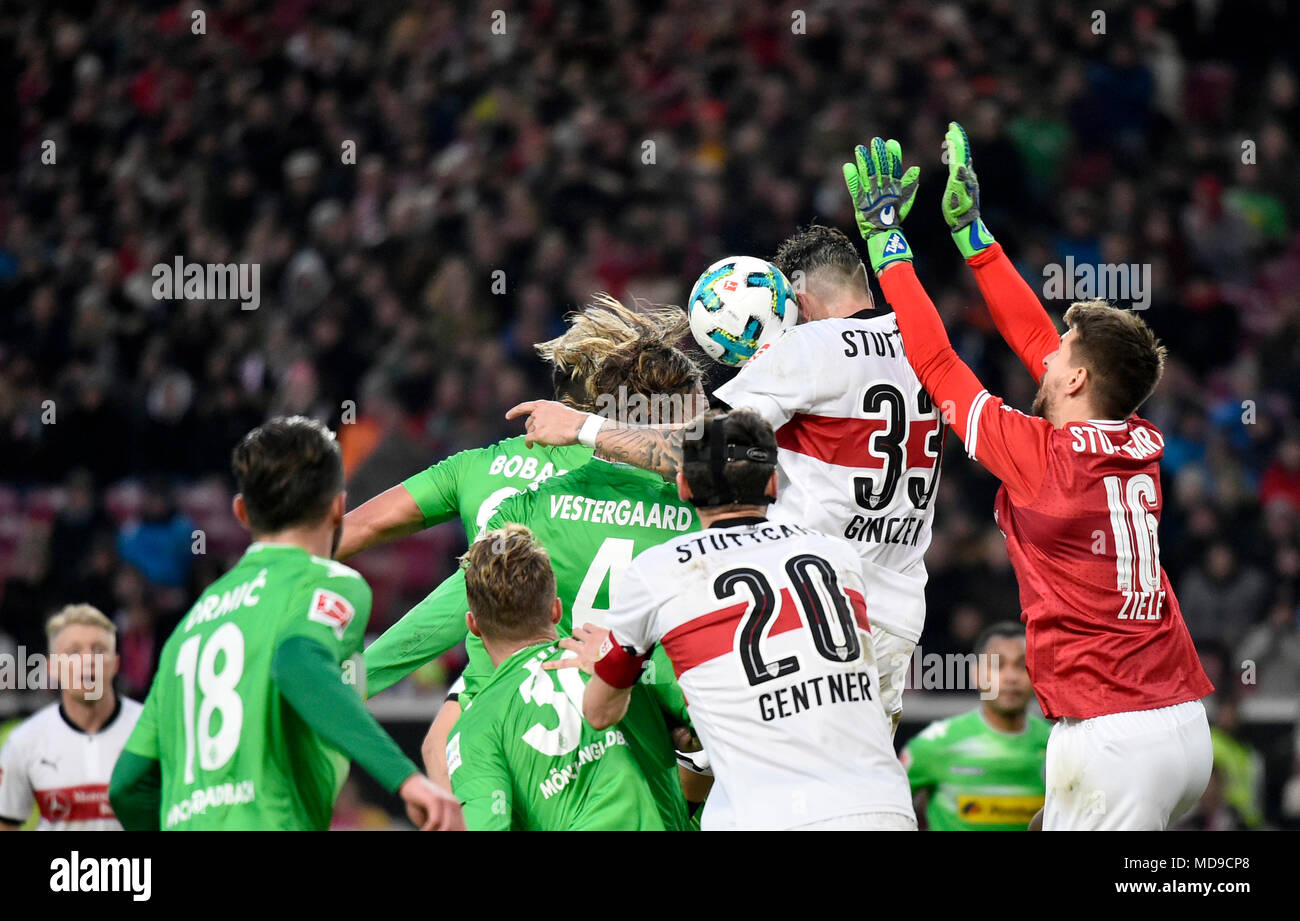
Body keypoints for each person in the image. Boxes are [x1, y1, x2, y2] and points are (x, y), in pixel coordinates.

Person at [841, 125, 1212, 830]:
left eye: (1061, 351)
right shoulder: (1135, 437)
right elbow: (1038, 341)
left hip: (1112, 730)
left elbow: (941, 366)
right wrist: (972, 234)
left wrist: (888, 246)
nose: (1045, 353)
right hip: (1182, 728)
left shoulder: (1046, 458)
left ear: (1076, 378)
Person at [508, 227, 945, 735]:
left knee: (745, 767)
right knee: (855, 771)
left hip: (813, 602)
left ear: (794, 300)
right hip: (899, 613)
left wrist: (583, 426)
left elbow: (697, 450)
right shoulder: (924, 341)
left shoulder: (808, 347)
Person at [366, 297, 710, 830]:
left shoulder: (527, 505)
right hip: (643, 730)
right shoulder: (703, 515)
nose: (702, 426)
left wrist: (360, 678)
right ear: (660, 423)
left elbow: (457, 600)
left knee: (442, 745)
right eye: (696, 414)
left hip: (538, 726)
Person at [108, 416, 463, 831]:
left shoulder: (190, 625)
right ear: (337, 508)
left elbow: (126, 787)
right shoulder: (326, 582)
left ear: (241, 511)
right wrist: (407, 781)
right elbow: (298, 660)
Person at [575, 409, 915, 830]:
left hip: (769, 817)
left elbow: (599, 713)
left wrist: (602, 662)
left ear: (683, 486)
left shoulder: (659, 570)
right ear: (773, 484)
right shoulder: (839, 556)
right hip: (884, 808)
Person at [446, 524, 663, 830]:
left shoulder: (474, 727)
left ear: (473, 625)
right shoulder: (622, 661)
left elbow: (487, 824)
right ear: (556, 610)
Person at [0, 605, 142, 830]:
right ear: (52, 668)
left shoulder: (149, 728)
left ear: (115, 664)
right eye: (74, 652)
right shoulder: (24, 742)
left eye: (98, 650)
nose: (87, 660)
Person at [901, 621, 1050, 831]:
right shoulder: (935, 745)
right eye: (998, 666)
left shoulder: (1057, 746)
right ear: (976, 674)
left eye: (1021, 665)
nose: (1011, 677)